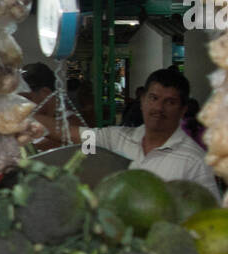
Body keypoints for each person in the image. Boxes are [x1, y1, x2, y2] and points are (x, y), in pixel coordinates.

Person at [66, 68, 218, 197]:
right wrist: (42, 126)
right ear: (142, 101)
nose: (159, 108)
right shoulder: (117, 138)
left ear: (183, 110)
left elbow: (210, 217)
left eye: (170, 102)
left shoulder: (195, 161)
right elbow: (75, 135)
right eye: (153, 98)